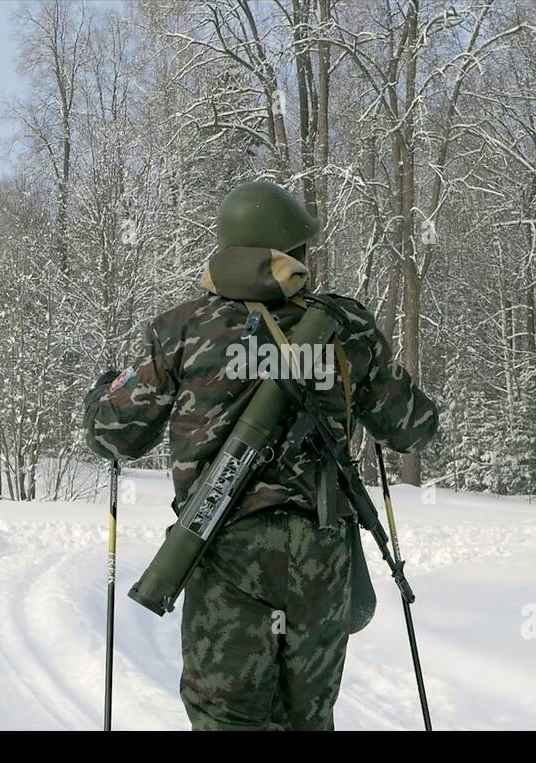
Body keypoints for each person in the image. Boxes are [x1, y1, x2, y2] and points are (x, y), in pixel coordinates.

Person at [83, 180, 438, 730]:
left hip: (224, 545)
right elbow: (413, 428)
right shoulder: (345, 325)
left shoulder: (183, 327)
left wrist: (101, 393)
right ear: (292, 251)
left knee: (225, 717)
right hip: (321, 552)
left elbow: (114, 435)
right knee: (307, 720)